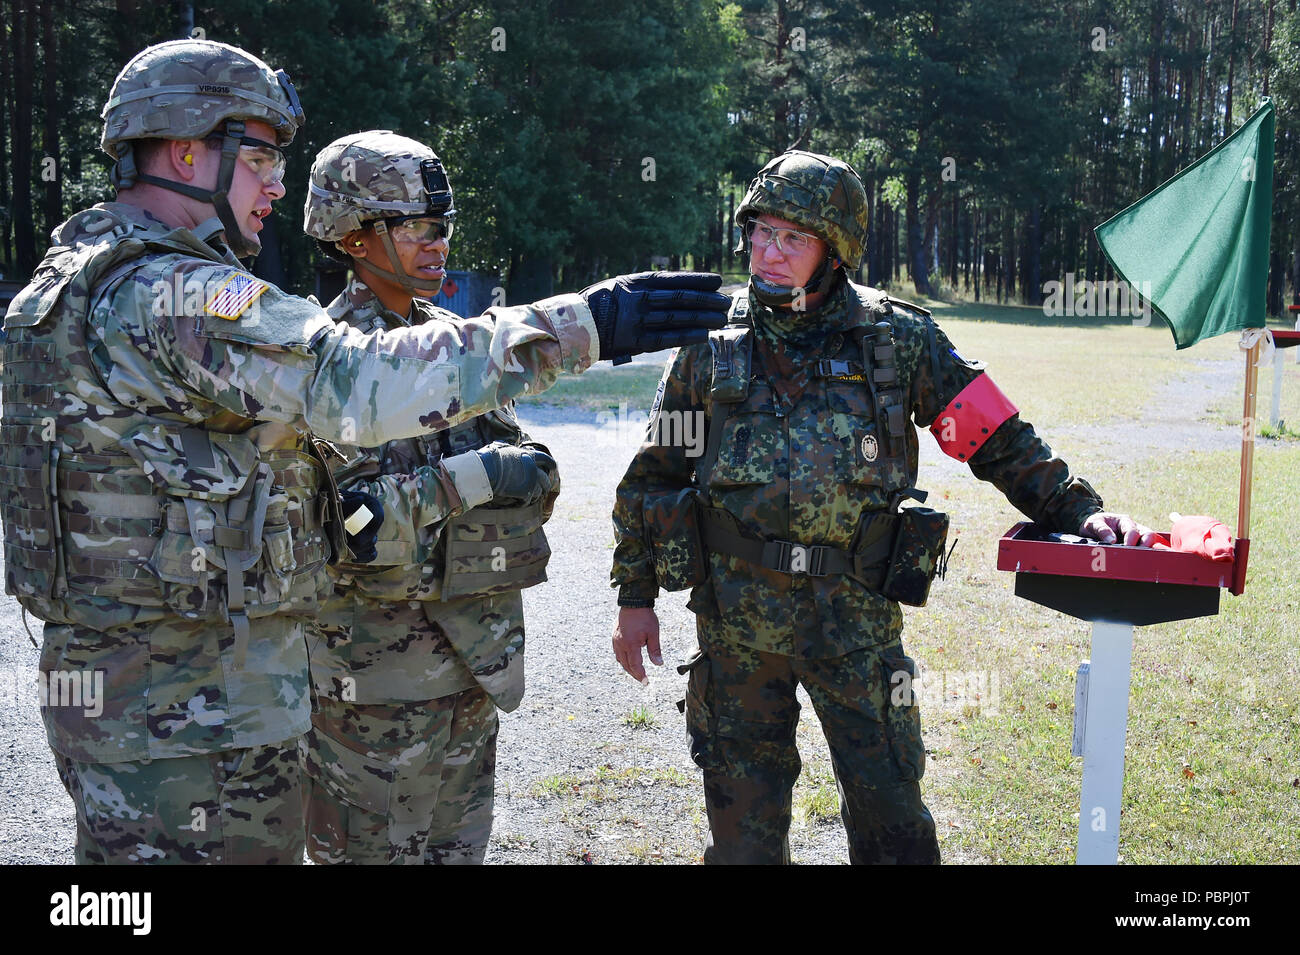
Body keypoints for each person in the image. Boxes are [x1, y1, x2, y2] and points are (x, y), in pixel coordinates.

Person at [0, 38, 728, 865]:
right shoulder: (183, 288)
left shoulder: (60, 285)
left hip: (119, 704)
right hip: (195, 718)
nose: (276, 182)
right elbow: (351, 378)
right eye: (261, 158)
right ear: (186, 149)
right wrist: (584, 325)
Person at [609, 149, 1155, 865]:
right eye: (760, 232)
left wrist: (1076, 510)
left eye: (792, 238)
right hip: (737, 628)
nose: (767, 253)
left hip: (858, 624)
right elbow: (653, 475)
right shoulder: (711, 347)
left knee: (893, 823)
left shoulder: (898, 341)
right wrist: (635, 595)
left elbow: (993, 435)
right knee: (743, 842)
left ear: (834, 250)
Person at [298, 130, 559, 864]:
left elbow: (537, 475)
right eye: (414, 228)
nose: (436, 245)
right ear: (351, 236)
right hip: (371, 692)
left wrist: (496, 477)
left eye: (441, 227)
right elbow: (355, 529)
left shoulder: (458, 346)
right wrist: (473, 479)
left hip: (473, 670)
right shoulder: (321, 361)